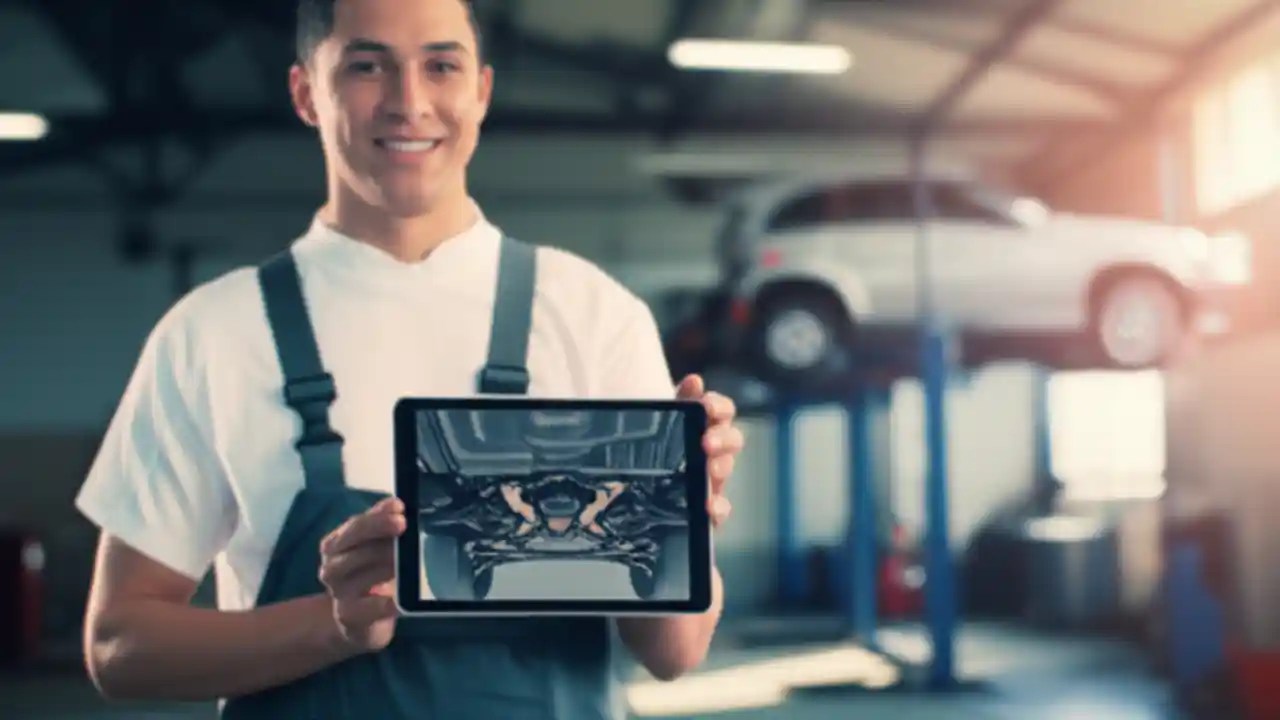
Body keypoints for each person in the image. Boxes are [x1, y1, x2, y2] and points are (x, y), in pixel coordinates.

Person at [73, 0, 745, 717]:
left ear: (480, 91)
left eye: (441, 65)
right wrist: (331, 627)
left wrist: (679, 521)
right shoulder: (213, 333)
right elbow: (118, 645)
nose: (409, 102)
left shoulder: (593, 316)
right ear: (306, 93)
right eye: (367, 66)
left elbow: (674, 652)